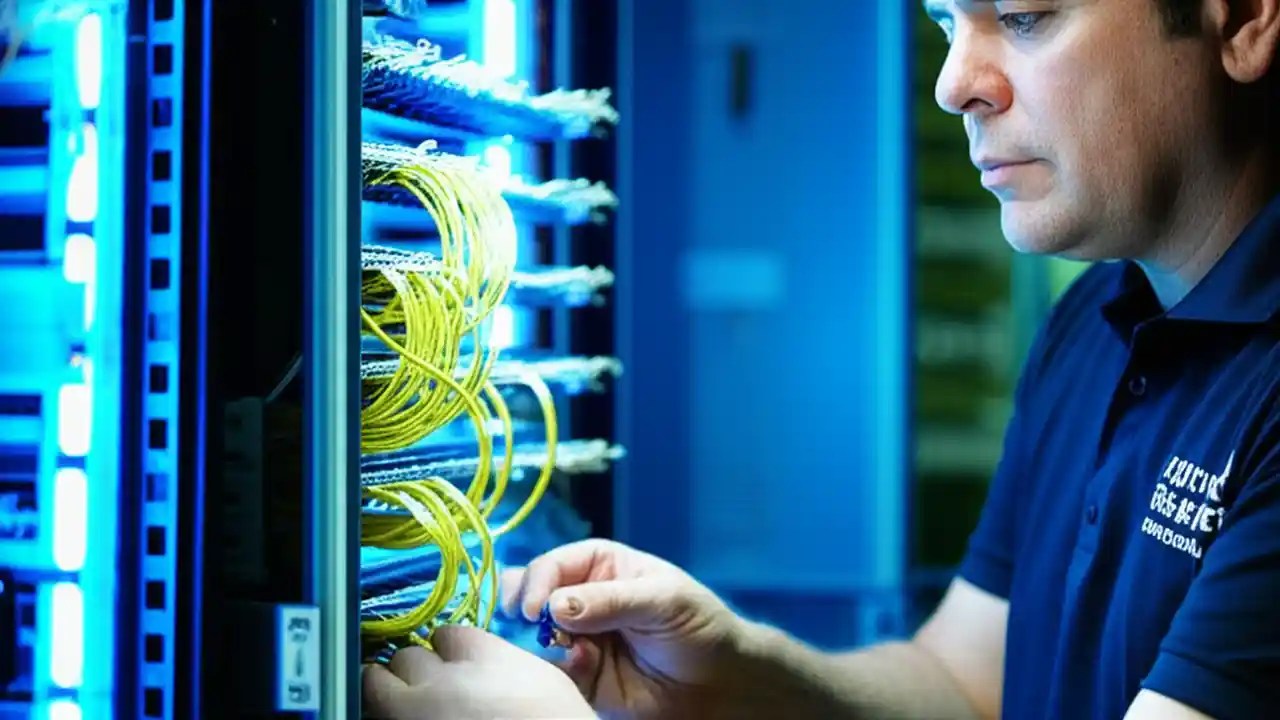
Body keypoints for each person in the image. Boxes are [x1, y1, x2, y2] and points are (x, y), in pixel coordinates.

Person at [363, 0, 1280, 717]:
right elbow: (967, 686)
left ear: (1241, 20)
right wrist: (733, 670)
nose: (955, 82)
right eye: (944, 25)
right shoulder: (1099, 318)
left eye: (1026, 18)